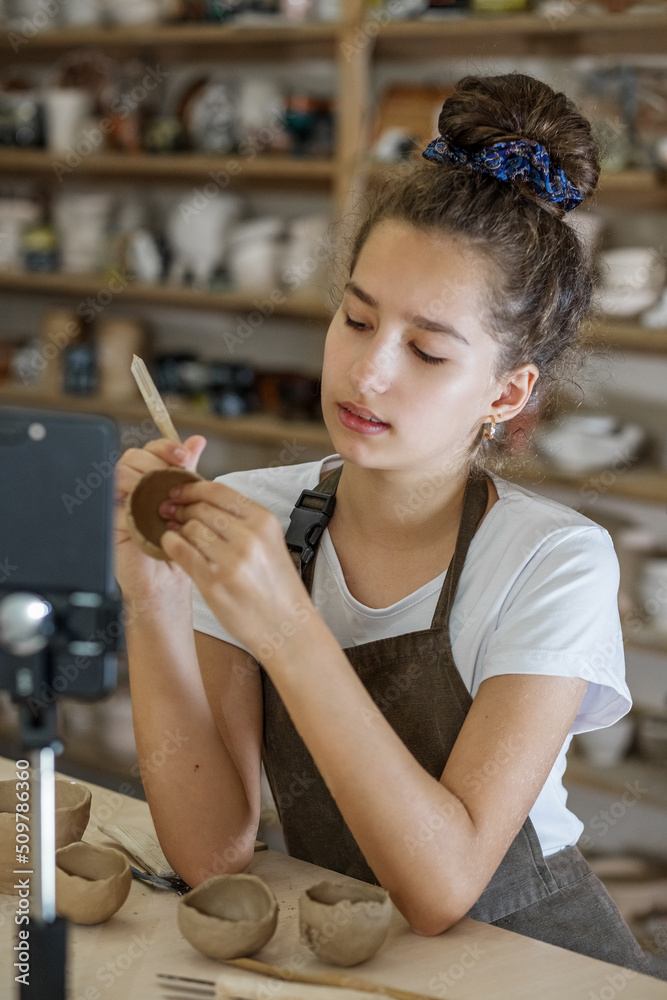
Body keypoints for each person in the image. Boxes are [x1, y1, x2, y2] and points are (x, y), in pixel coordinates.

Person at [115, 72, 663, 978]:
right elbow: (211, 854)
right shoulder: (257, 516)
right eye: (356, 318)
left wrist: (283, 625)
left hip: (535, 961)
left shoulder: (553, 562)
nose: (366, 373)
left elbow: (442, 888)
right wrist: (155, 599)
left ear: (506, 393)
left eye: (426, 350)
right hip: (361, 950)